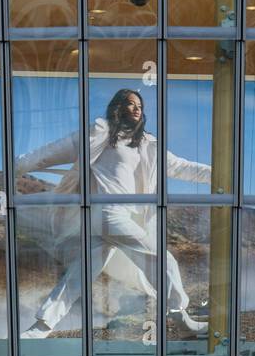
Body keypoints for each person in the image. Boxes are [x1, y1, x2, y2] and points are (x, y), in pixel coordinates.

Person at [15, 87, 211, 338]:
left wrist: (222, 173)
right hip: (108, 213)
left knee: (79, 274)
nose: (137, 108)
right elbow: (49, 153)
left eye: (139, 105)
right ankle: (180, 316)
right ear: (118, 108)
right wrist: (15, 167)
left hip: (114, 218)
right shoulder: (100, 134)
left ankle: (40, 328)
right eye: (131, 104)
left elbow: (184, 168)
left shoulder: (149, 145)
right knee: (163, 260)